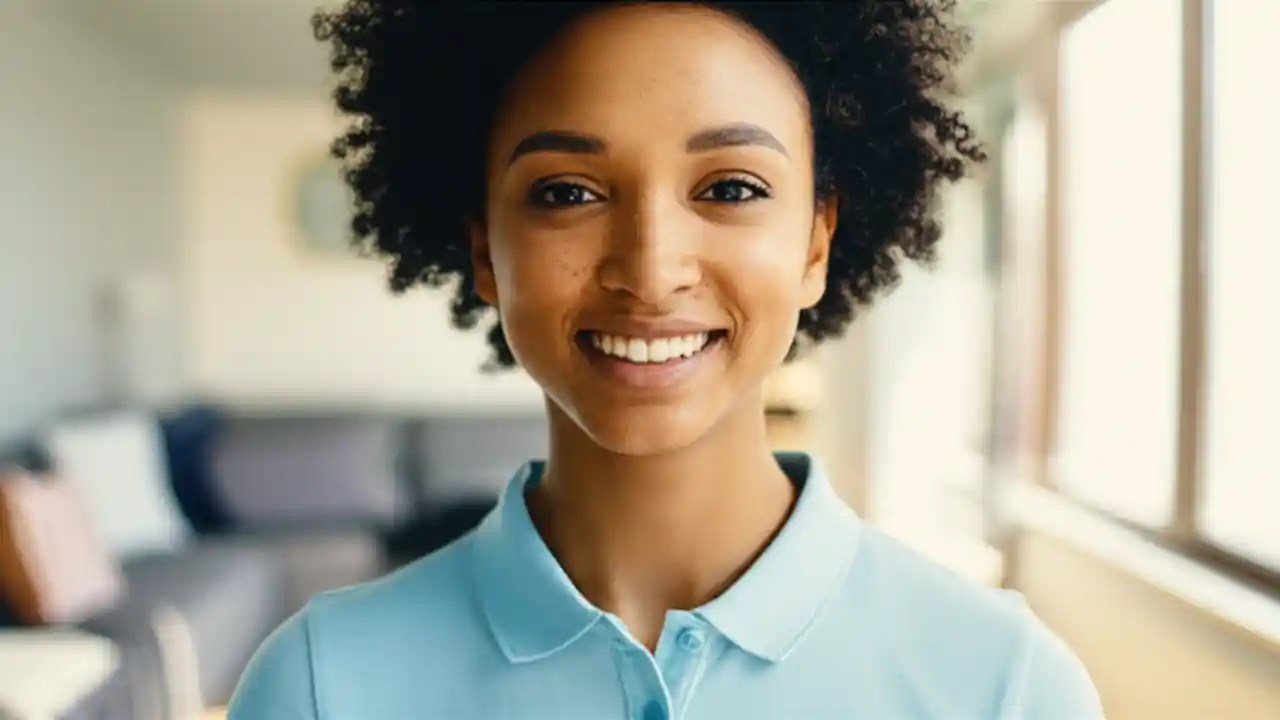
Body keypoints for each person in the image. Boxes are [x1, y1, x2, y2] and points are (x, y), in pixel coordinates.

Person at [229, 2, 1102, 718]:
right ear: (487, 254)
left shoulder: (1008, 688)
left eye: (730, 189)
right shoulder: (318, 685)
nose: (649, 271)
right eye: (567, 193)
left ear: (815, 244)